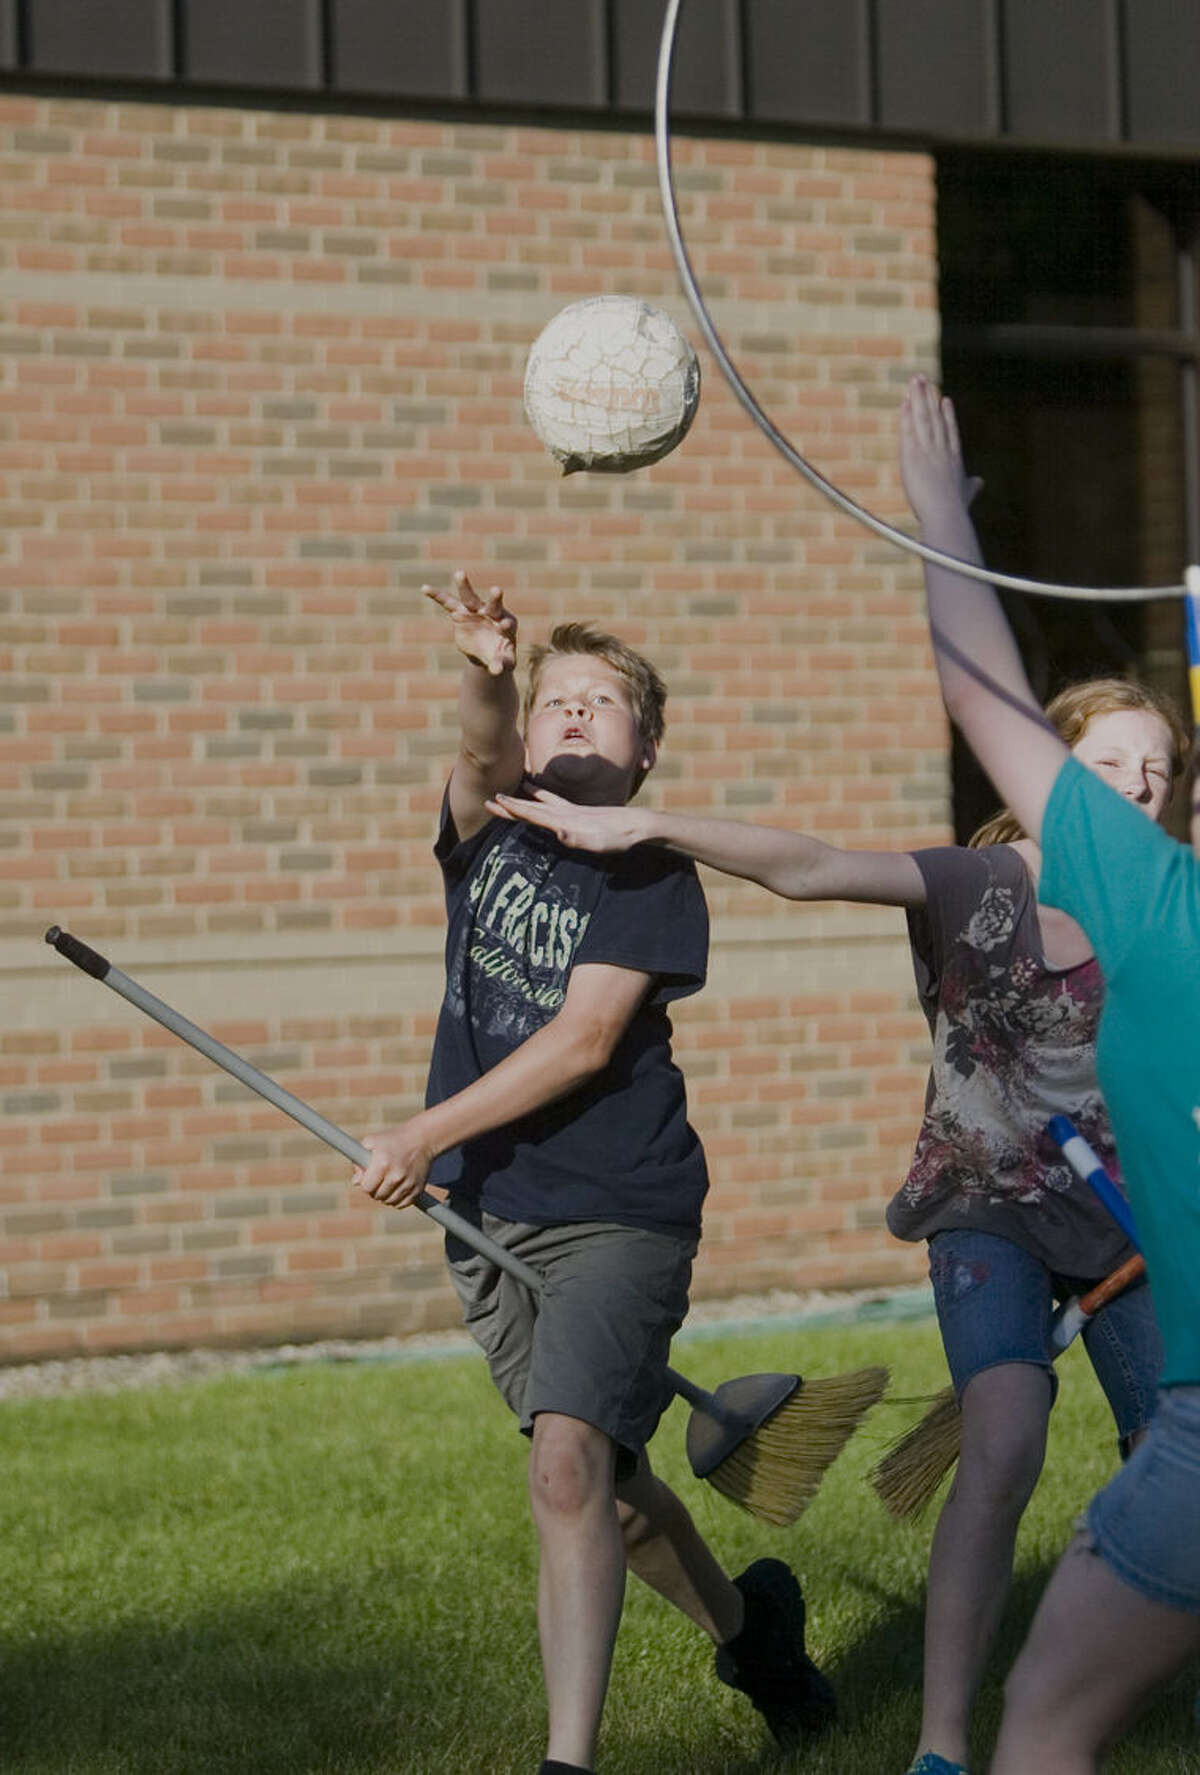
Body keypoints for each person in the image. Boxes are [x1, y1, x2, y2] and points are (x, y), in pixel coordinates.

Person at [490, 618, 1188, 1774]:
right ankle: (944, 1742)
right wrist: (648, 821)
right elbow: (812, 866)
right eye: (1108, 765)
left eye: (1157, 772)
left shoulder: (1171, 911)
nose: (1137, 788)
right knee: (1005, 1434)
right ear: (1051, 777)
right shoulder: (980, 884)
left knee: (1178, 1448)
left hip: (1131, 1217)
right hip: (986, 1204)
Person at [351, 571, 835, 1775]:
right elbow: (477, 744)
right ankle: (754, 1634)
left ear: (646, 750)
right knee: (608, 1486)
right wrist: (489, 665)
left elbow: (583, 1041)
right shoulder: (487, 831)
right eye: (555, 698)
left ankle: (567, 1759)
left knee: (563, 1459)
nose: (572, 712)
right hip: (489, 1212)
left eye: (602, 702)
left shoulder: (652, 877)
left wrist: (422, 1130)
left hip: (621, 1209)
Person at [896, 372, 1200, 1774]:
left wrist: (940, 515)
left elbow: (980, 693)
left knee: (1053, 1717)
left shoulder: (1151, 909)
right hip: (1009, 1221)